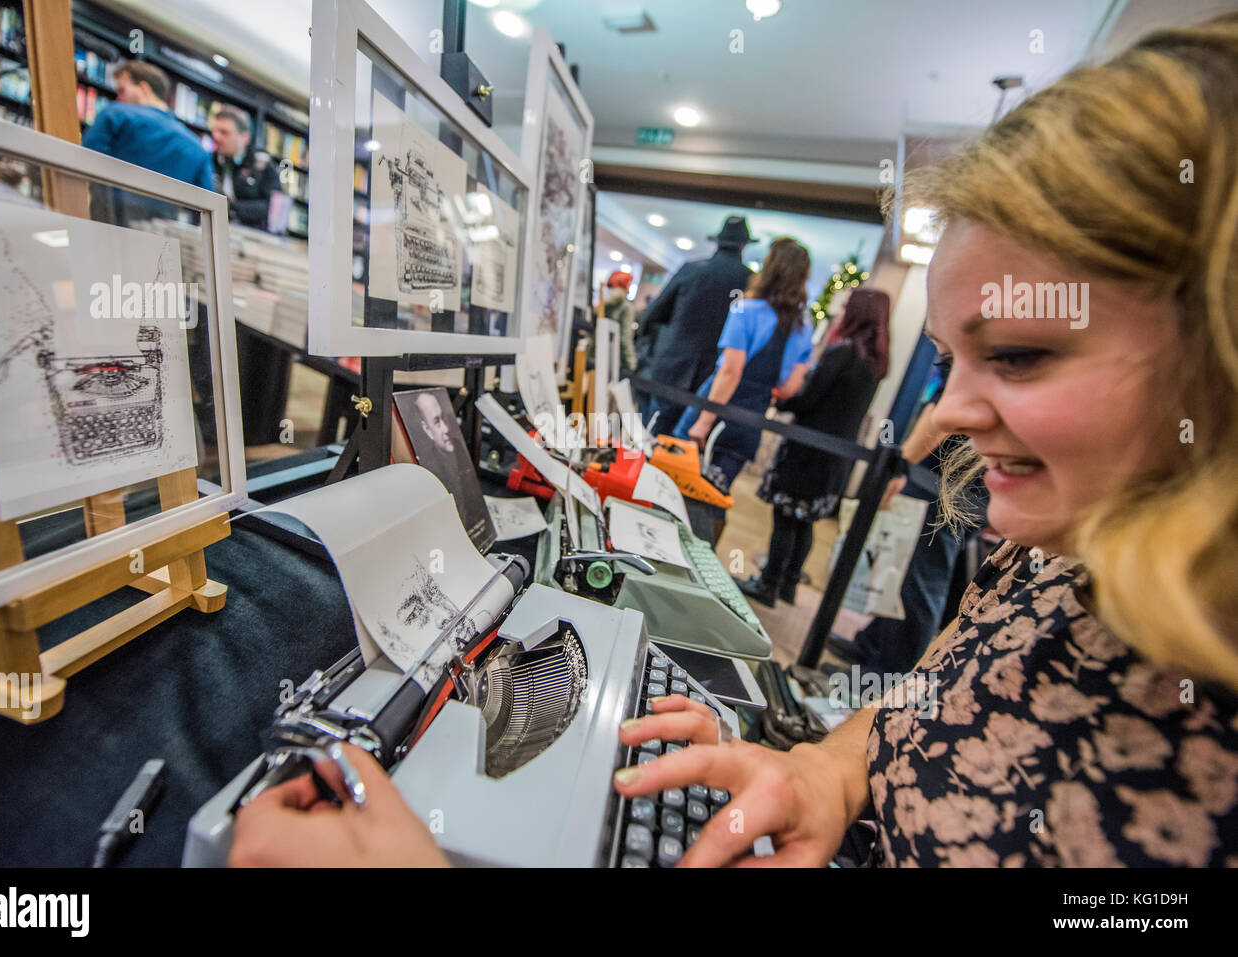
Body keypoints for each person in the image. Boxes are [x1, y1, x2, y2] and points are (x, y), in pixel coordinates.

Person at [229, 15, 1238, 868]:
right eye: (947, 361)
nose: (941, 421)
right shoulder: (1060, 543)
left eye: (1016, 357)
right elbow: (929, 708)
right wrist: (830, 774)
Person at [825, 364, 988, 672]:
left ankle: (887, 675)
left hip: (950, 486)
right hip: (941, 479)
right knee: (900, 570)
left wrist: (900, 464)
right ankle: (873, 645)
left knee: (921, 582)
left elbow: (943, 416)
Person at [738, 287, 890, 607]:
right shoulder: (874, 363)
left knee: (785, 515)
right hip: (835, 457)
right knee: (804, 521)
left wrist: (780, 398)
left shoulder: (842, 353)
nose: (839, 311)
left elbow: (808, 400)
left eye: (846, 305)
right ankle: (787, 585)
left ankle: (768, 585)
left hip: (807, 451)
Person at [671, 237, 814, 493]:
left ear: (770, 269)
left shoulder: (746, 310)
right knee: (716, 495)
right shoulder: (803, 327)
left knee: (675, 484)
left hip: (714, 408)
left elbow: (730, 372)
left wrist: (704, 422)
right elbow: (788, 388)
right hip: (751, 419)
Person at [634, 215, 755, 436]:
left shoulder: (692, 270)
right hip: (710, 381)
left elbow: (655, 313)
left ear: (718, 242)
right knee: (681, 449)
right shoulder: (749, 281)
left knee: (649, 435)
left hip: (671, 368)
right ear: (743, 246)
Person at [81, 60, 215, 194]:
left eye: (122, 91)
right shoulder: (198, 148)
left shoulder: (115, 114)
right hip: (168, 215)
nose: (118, 98)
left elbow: (83, 164)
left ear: (144, 89)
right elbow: (207, 202)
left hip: (106, 212)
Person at [210, 104, 284, 231]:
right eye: (215, 131)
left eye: (224, 132)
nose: (216, 137)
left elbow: (275, 209)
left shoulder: (263, 164)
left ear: (244, 137)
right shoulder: (212, 159)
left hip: (252, 238)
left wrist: (232, 207)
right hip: (218, 230)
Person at [599, 270, 638, 373]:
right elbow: (625, 338)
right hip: (612, 360)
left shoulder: (603, 303)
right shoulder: (626, 307)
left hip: (596, 355)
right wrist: (631, 363)